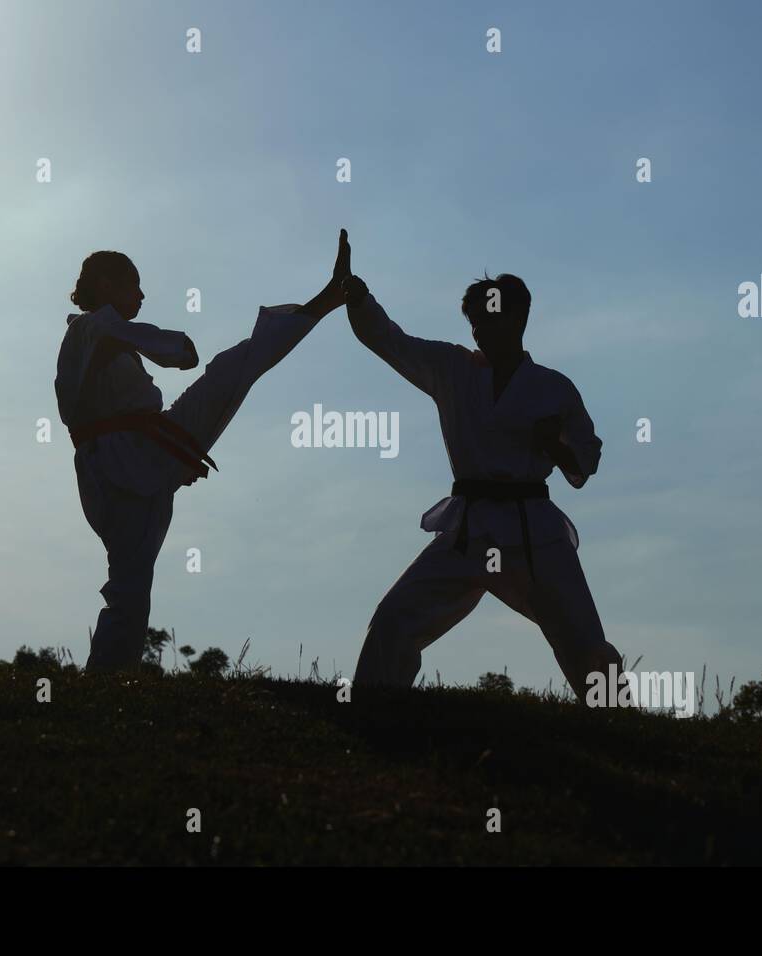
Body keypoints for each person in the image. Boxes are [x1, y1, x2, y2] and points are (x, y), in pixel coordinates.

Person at [57, 230, 352, 670]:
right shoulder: (93, 327)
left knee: (133, 580)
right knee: (130, 582)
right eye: (132, 285)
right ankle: (106, 675)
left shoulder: (105, 335)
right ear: (104, 285)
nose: (141, 294)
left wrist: (170, 450)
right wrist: (171, 351)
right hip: (122, 457)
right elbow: (180, 353)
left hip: (138, 452)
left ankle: (111, 674)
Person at [342, 260, 623, 699]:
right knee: (395, 617)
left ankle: (617, 721)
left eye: (487, 319)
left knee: (584, 642)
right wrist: (357, 297)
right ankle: (373, 707)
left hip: (534, 534)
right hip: (467, 532)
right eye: (473, 322)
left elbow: (585, 463)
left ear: (517, 318)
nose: (477, 331)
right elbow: (389, 340)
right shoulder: (451, 369)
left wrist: (555, 447)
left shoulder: (553, 387)